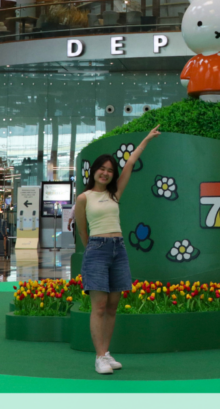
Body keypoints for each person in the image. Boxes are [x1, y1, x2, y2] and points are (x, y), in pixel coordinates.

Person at [76, 126, 160, 374]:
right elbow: (82, 230)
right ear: (95, 171)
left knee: (113, 306)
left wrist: (146, 140)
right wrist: (93, 250)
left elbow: (130, 163)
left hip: (119, 250)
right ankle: (99, 357)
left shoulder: (115, 194)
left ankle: (106, 353)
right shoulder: (84, 198)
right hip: (97, 250)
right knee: (99, 306)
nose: (106, 173)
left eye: (110, 170)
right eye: (102, 169)